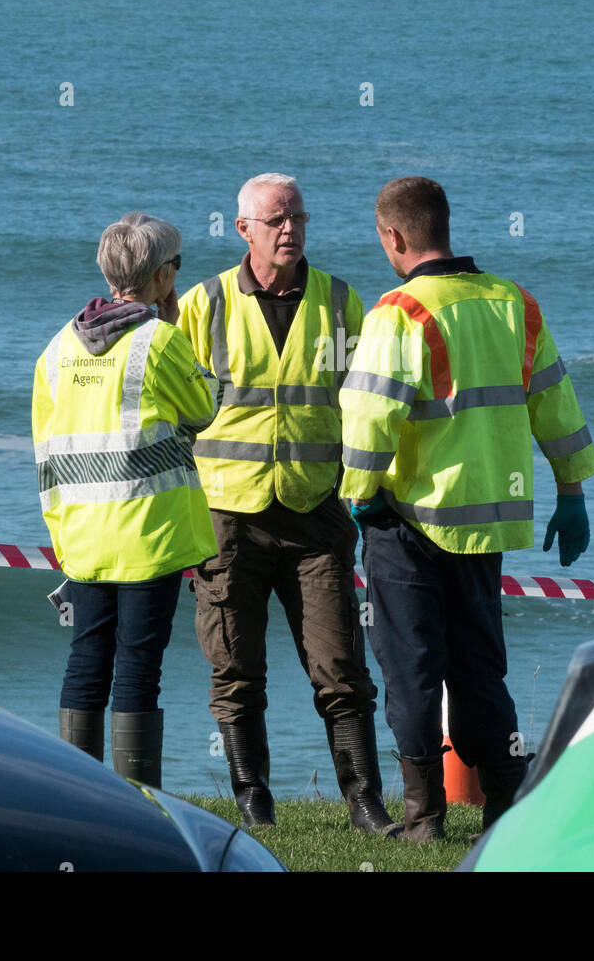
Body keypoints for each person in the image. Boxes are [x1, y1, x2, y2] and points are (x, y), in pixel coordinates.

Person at [340, 176, 594, 841]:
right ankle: (507, 801)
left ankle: (425, 817)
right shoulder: (518, 304)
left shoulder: (400, 310)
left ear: (394, 236)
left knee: (411, 666)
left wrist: (359, 493)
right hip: (489, 521)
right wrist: (572, 490)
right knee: (481, 666)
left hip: (411, 521)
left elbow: (370, 411)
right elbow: (556, 403)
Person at [177, 173, 397, 834]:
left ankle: (364, 804)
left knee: (342, 666)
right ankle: (254, 803)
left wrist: (368, 483)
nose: (291, 230)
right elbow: (169, 411)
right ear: (243, 228)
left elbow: (368, 402)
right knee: (235, 666)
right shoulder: (204, 304)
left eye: (299, 218)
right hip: (226, 515)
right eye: (276, 220)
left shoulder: (338, 301)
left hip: (315, 512)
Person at [32, 212, 221, 788]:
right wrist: (175, 330)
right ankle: (140, 805)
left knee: (85, 663)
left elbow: (47, 450)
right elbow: (205, 408)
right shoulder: (158, 341)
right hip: (147, 534)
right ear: (163, 275)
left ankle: (80, 801)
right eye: (178, 268)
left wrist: (61, 534)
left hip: (83, 536)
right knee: (139, 671)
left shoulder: (58, 349)